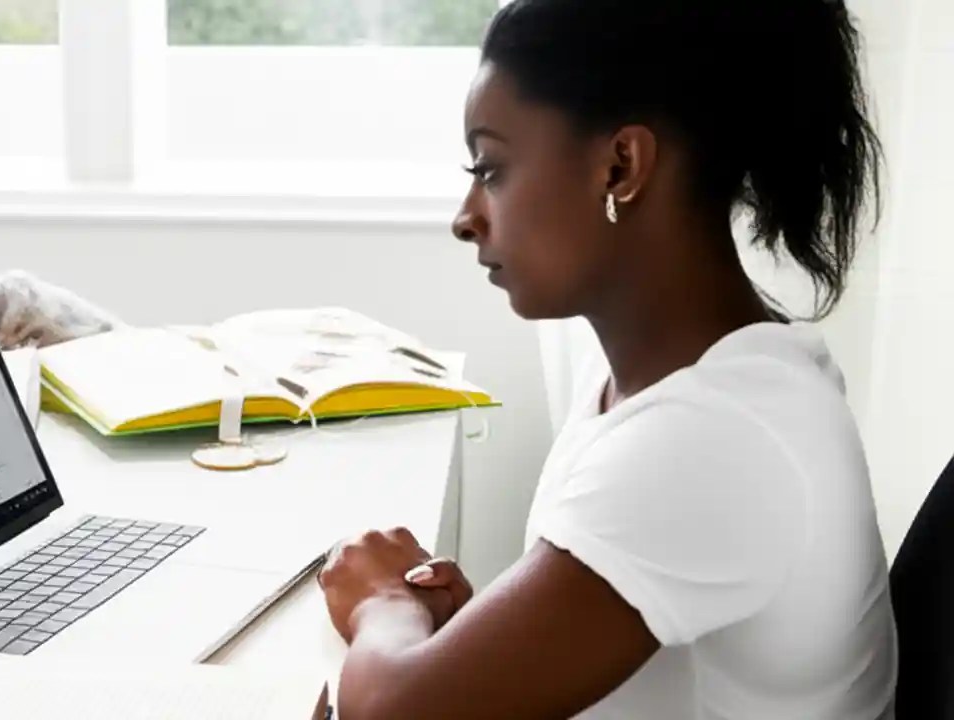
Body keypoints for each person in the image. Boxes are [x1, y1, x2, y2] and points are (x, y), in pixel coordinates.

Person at [316, 0, 895, 718]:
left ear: (621, 166)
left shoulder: (714, 436)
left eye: (492, 169)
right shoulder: (665, 381)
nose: (466, 216)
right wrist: (469, 637)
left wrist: (383, 602)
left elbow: (396, 712)